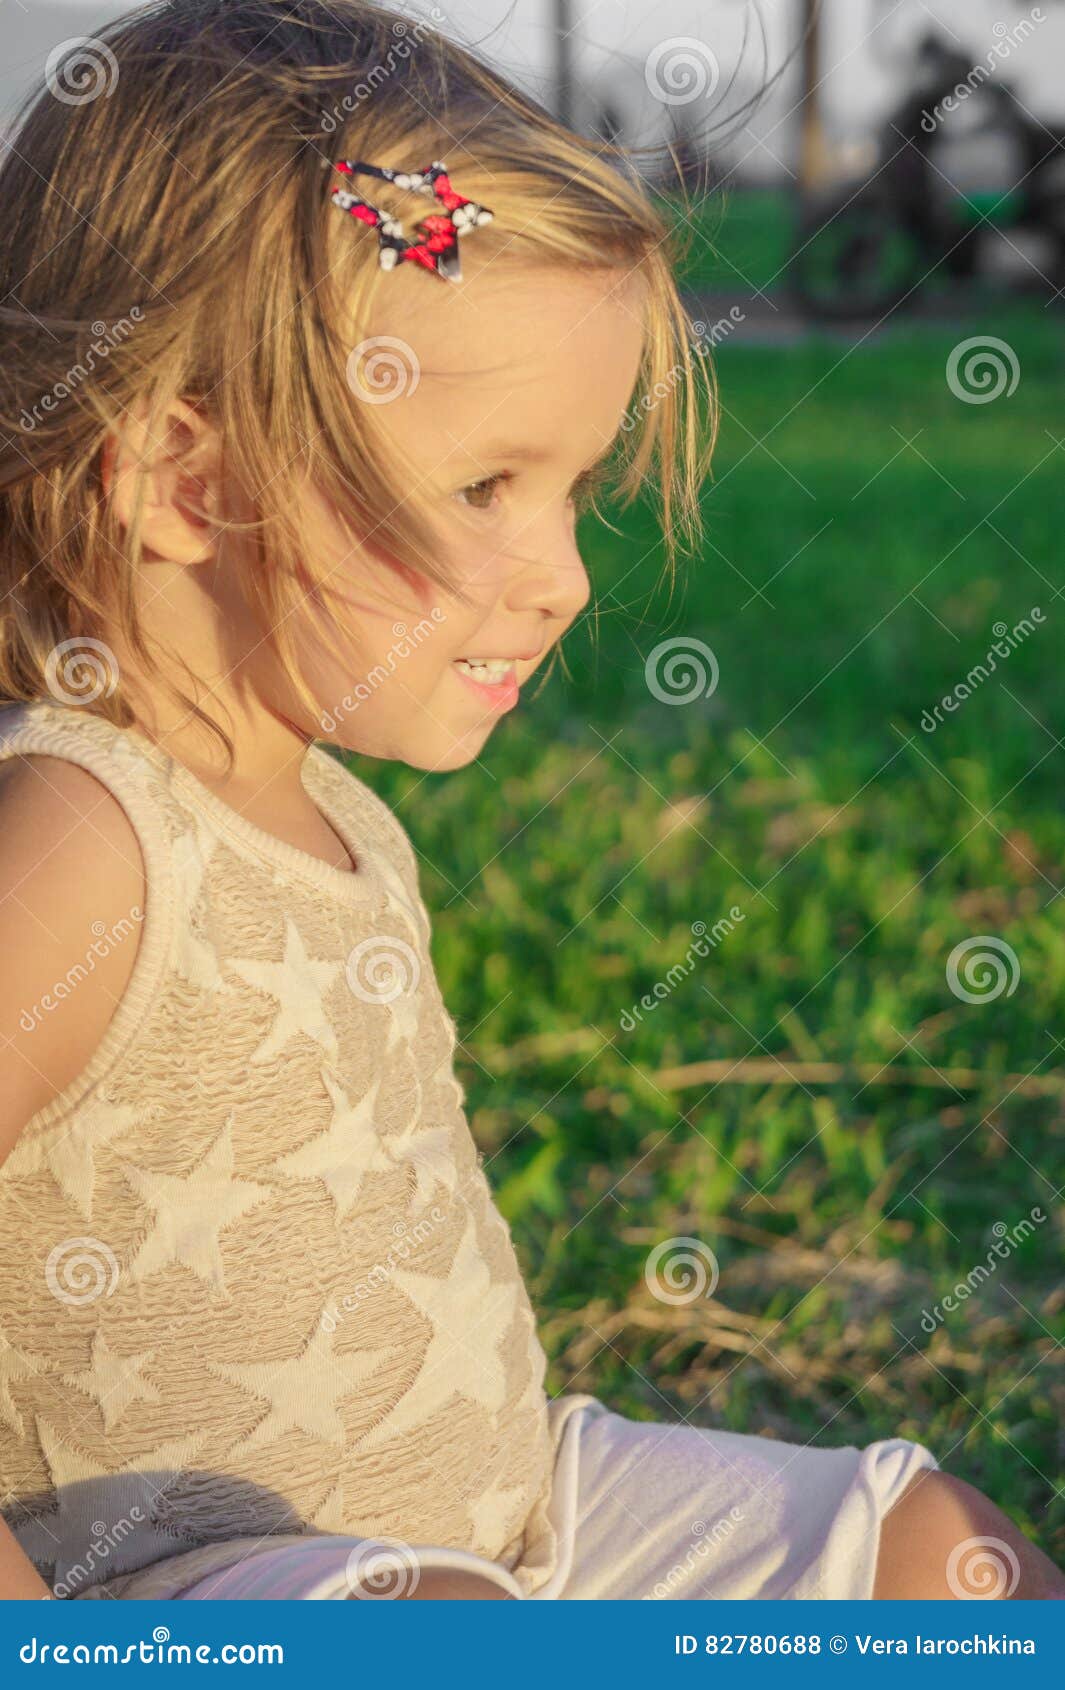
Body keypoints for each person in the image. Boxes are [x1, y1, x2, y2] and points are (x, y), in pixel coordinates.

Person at [0, 0, 1060, 1603]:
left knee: (942, 1552)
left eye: (574, 491)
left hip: (509, 1510)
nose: (563, 577)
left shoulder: (343, 815)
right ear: (187, 476)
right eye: (485, 486)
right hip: (194, 1588)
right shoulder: (81, 835)